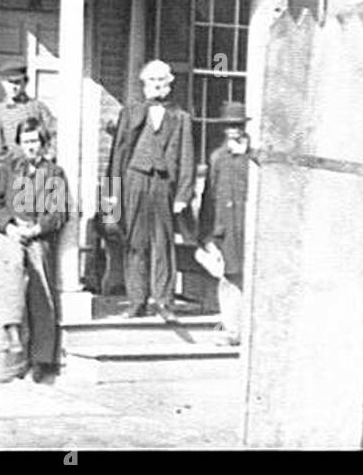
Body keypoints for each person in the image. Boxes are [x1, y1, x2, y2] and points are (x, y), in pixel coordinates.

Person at [105, 60, 195, 321]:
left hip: (163, 184)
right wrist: (110, 200)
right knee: (135, 243)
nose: (156, 85)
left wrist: (183, 196)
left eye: (161, 81)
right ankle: (136, 302)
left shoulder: (181, 118)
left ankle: (165, 302)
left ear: (169, 85)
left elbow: (187, 158)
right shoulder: (130, 113)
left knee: (162, 243)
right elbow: (117, 155)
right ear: (144, 85)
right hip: (134, 180)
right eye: (152, 81)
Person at [0, 118, 69, 383]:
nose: (31, 147)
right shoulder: (10, 169)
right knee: (11, 288)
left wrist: (35, 229)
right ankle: (13, 346)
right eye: (27, 141)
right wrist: (9, 227)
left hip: (37, 240)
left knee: (40, 297)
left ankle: (42, 359)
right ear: (20, 144)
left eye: (36, 141)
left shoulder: (54, 173)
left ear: (43, 143)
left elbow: (58, 212)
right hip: (12, 237)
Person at [198, 102, 255, 347]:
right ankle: (232, 330)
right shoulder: (217, 157)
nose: (233, 130)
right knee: (229, 279)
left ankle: (253, 330)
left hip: (249, 227)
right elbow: (209, 197)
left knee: (252, 277)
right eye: (229, 126)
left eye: (238, 126)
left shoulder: (253, 157)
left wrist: (248, 154)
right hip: (226, 229)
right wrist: (206, 233)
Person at [0, 63, 57, 161]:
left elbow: (55, 134)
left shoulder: (38, 108)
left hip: (40, 167)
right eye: (10, 82)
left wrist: (50, 154)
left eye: (18, 82)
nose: (14, 87)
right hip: (13, 168)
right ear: (2, 83)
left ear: (25, 82)